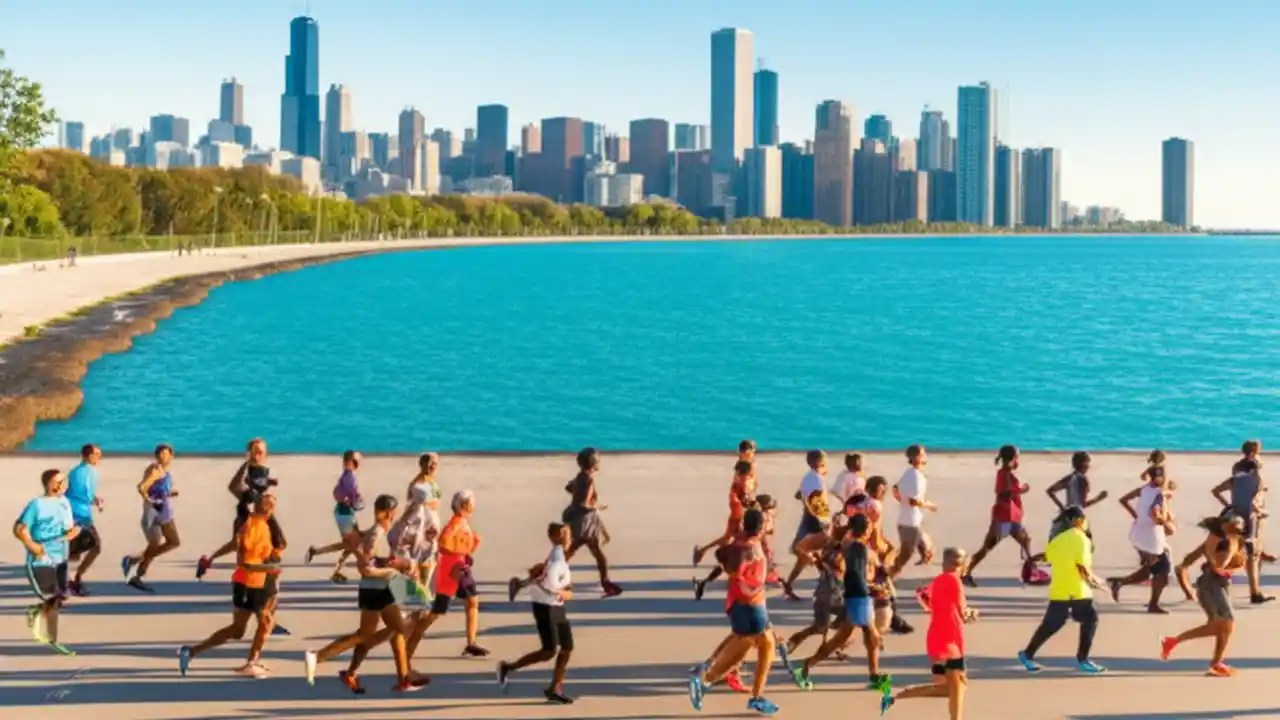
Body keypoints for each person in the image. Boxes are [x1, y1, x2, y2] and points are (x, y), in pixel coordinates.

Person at [303, 494, 428, 694]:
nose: (394, 515)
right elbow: (366, 570)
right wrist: (395, 571)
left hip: (381, 590)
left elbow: (361, 552)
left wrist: (398, 566)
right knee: (367, 634)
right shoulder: (376, 534)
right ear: (389, 513)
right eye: (393, 512)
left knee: (396, 630)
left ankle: (403, 678)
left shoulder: (376, 532)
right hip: (373, 591)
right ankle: (318, 657)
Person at [687, 508, 780, 716]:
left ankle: (752, 695)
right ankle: (707, 682)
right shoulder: (751, 549)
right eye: (767, 522)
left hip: (739, 603)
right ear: (760, 527)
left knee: (755, 645)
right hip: (750, 604)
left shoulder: (739, 542)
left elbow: (721, 556)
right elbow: (743, 570)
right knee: (758, 646)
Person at [179, 493, 282, 678]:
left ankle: (191, 652)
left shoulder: (258, 524)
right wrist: (269, 567)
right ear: (267, 509)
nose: (273, 511)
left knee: (239, 630)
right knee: (263, 623)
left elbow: (234, 544)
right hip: (250, 583)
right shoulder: (252, 527)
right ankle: (251, 663)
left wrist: (212, 557)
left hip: (253, 582)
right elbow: (244, 562)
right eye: (273, 507)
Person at [789, 513, 890, 692]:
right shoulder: (859, 548)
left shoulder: (848, 545)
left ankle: (874, 675)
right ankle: (805, 667)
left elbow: (851, 573)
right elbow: (857, 575)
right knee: (865, 637)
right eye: (870, 526)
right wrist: (871, 588)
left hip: (854, 596)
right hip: (860, 597)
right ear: (866, 529)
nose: (872, 528)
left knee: (864, 637)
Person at [882, 547, 977, 720]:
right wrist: (972, 613)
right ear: (961, 565)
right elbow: (963, 612)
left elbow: (923, 597)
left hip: (935, 640)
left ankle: (895, 696)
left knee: (948, 688)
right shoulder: (955, 581)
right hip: (949, 642)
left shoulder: (937, 581)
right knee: (957, 688)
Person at [1017, 506, 1106, 674]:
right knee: (1090, 619)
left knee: (1052, 624)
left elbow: (1049, 557)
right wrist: (1095, 582)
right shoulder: (1082, 539)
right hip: (1077, 590)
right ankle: (1083, 660)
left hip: (1060, 589)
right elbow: (1082, 566)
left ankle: (1027, 654)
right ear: (1078, 521)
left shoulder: (1057, 540)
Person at [1160, 511, 1247, 677]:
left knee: (1218, 627)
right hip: (1212, 586)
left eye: (1239, 527)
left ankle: (1173, 642)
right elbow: (1213, 566)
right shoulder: (1222, 542)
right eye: (1235, 527)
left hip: (1213, 586)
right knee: (1227, 624)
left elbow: (1185, 563)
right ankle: (1215, 664)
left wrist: (1189, 590)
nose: (1238, 530)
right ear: (1224, 526)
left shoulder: (1230, 539)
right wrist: (1223, 570)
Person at [498, 523, 577, 704]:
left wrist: (532, 580)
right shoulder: (557, 558)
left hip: (555, 606)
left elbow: (546, 576)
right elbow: (550, 587)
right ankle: (508, 668)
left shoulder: (559, 556)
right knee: (549, 651)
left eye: (569, 534)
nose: (569, 538)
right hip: (545, 607)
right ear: (556, 537)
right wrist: (566, 592)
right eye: (565, 534)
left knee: (567, 647)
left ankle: (555, 687)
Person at [404, 490, 488, 658]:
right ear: (464, 505)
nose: (474, 506)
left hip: (460, 566)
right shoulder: (456, 522)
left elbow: (462, 546)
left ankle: (471, 643)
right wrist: (456, 554)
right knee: (437, 612)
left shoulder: (461, 521)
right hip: (453, 569)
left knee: (471, 601)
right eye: (471, 502)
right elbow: (443, 542)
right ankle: (409, 646)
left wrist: (471, 545)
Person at [196, 438, 284, 580]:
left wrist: (270, 483)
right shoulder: (246, 469)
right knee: (238, 544)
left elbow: (262, 486)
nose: (257, 455)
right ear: (249, 453)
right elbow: (234, 487)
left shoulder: (267, 471)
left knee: (277, 540)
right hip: (246, 511)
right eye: (254, 452)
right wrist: (246, 468)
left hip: (261, 511)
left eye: (261, 452)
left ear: (266, 453)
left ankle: (266, 570)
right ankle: (209, 561)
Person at [13, 469, 78, 655]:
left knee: (60, 597)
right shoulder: (36, 505)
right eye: (58, 481)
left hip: (61, 557)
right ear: (48, 483)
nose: (62, 484)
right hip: (41, 560)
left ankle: (37, 610)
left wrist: (72, 534)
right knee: (54, 600)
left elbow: (67, 528)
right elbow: (20, 529)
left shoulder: (65, 503)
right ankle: (54, 640)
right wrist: (34, 547)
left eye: (63, 481)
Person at [1108, 450, 1174, 613]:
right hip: (1150, 538)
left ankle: (1119, 583)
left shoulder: (1144, 489)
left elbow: (1123, 499)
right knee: (1163, 572)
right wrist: (1162, 521)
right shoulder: (1160, 493)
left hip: (1138, 535)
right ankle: (1153, 605)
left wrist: (1136, 515)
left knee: (1150, 571)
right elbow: (1155, 509)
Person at [1211, 440, 1273, 604]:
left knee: (1233, 551)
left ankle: (1223, 586)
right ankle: (1255, 592)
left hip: (1236, 515)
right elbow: (1255, 501)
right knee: (1252, 556)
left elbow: (1216, 491)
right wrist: (1260, 510)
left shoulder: (1234, 480)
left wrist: (1229, 506)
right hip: (1251, 519)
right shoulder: (1257, 479)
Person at [962, 445, 1033, 587]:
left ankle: (1030, 571)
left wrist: (1018, 490)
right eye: (1018, 457)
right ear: (1013, 459)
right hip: (1002, 519)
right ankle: (965, 572)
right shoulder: (1004, 474)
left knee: (1026, 540)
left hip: (1013, 519)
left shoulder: (1008, 474)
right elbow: (1003, 493)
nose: (1019, 461)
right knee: (986, 549)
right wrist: (1021, 490)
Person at [561, 448, 622, 597]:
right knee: (585, 553)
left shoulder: (581, 476)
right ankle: (605, 583)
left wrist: (576, 491)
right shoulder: (588, 480)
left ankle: (605, 582)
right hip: (585, 523)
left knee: (570, 553)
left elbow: (569, 488)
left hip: (578, 519)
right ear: (594, 463)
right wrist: (597, 506)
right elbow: (583, 503)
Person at [122, 444, 180, 592]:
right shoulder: (155, 470)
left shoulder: (166, 472)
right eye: (161, 454)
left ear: (172, 456)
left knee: (174, 542)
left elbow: (159, 489)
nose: (164, 457)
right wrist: (149, 499)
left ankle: (134, 562)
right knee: (155, 543)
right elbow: (142, 487)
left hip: (165, 513)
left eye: (167, 454)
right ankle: (138, 573)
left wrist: (169, 493)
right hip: (153, 514)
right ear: (156, 456)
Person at [306, 450, 366, 583]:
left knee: (350, 544)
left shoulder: (347, 474)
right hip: (345, 514)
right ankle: (360, 569)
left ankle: (319, 554)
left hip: (344, 512)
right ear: (349, 462)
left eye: (358, 461)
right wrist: (359, 500)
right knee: (354, 545)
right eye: (355, 461)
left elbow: (341, 493)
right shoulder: (350, 476)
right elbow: (354, 496)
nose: (358, 463)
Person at [781, 450, 829, 600]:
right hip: (814, 519)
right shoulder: (816, 479)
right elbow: (810, 500)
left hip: (813, 518)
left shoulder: (811, 477)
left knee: (807, 553)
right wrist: (818, 519)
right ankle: (823, 577)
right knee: (803, 552)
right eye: (821, 460)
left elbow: (799, 494)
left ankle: (790, 585)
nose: (822, 463)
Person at [694, 460, 758, 568]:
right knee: (731, 538)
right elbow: (745, 499)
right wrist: (753, 505)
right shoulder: (744, 482)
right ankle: (705, 551)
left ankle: (717, 555)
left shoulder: (738, 480)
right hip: (739, 513)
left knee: (730, 538)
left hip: (736, 511)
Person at [890, 445, 937, 577]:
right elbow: (914, 501)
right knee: (907, 550)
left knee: (919, 537)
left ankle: (926, 553)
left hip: (908, 517)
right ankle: (892, 572)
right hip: (909, 521)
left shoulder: (908, 472)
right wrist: (930, 505)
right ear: (916, 458)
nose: (925, 456)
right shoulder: (917, 477)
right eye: (923, 454)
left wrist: (901, 501)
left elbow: (895, 489)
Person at [65, 444, 104, 596]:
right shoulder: (87, 472)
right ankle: (75, 579)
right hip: (79, 515)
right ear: (88, 456)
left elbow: (80, 492)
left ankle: (69, 579)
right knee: (96, 546)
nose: (99, 457)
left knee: (73, 549)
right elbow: (85, 495)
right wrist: (95, 501)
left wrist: (95, 500)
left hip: (75, 513)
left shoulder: (77, 471)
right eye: (97, 454)